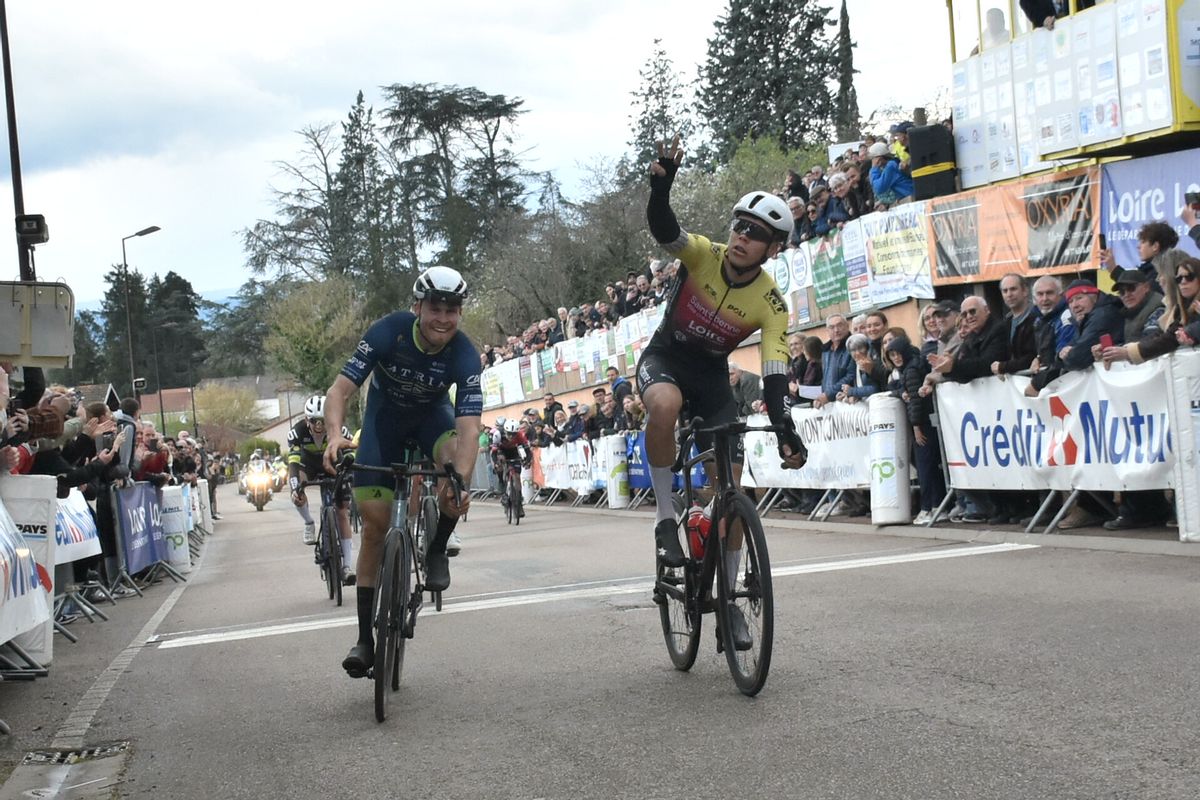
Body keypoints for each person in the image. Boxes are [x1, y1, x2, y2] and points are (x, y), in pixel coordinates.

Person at [639, 136, 805, 645]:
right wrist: (661, 187)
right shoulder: (703, 255)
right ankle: (668, 519)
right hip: (666, 357)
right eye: (740, 226)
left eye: (756, 234)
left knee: (734, 491)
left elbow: (775, 373)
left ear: (773, 249)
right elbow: (666, 230)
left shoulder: (772, 304)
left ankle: (729, 603)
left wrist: (784, 426)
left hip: (712, 375)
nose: (741, 237)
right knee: (663, 404)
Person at [321, 266, 482, 678]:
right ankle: (364, 639)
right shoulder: (387, 331)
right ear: (418, 307)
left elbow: (469, 426)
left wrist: (460, 478)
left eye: (452, 310)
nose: (443, 318)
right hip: (383, 424)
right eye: (435, 308)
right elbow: (340, 390)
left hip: (432, 419)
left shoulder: (464, 353)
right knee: (375, 530)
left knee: (453, 466)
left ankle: (436, 547)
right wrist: (336, 436)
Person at [287, 395, 356, 584]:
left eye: (323, 422)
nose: (319, 427)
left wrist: (350, 476)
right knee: (297, 492)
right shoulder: (297, 432)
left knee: (342, 511)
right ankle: (308, 522)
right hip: (307, 464)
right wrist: (296, 488)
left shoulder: (339, 429)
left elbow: (351, 456)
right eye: (314, 422)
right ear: (307, 420)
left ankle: (347, 566)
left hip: (333, 462)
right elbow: (293, 465)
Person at [490, 418, 531, 515]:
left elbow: (528, 451)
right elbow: (493, 453)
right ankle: (503, 488)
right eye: (509, 434)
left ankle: (519, 503)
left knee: (516, 476)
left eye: (513, 434)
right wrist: (496, 463)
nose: (511, 437)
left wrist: (527, 461)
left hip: (514, 453)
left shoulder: (520, 435)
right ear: (504, 431)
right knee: (500, 462)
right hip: (502, 451)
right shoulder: (498, 434)